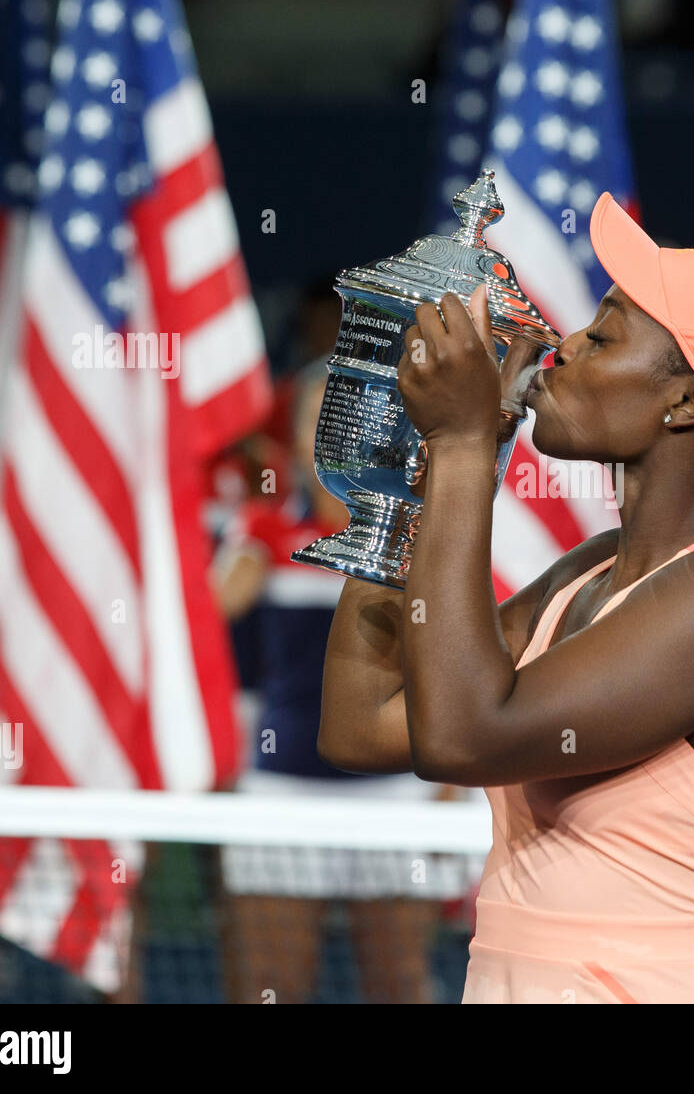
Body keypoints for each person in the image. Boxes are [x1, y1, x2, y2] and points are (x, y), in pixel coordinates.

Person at [319, 192, 694, 1001]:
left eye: (602, 336)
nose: (562, 345)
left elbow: (463, 737)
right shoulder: (588, 572)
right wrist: (404, 481)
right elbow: (361, 723)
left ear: (689, 401)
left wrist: (460, 449)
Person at [214, 360, 470, 1004]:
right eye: (319, 416)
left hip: (399, 800)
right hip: (279, 799)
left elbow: (454, 662)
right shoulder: (262, 532)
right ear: (296, 434)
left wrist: (448, 783)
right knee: (268, 991)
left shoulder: (424, 535)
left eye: (354, 414)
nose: (336, 431)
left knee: (397, 986)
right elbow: (218, 627)